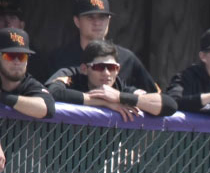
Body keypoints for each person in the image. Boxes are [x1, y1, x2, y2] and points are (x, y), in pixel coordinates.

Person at [48, 0, 159, 93]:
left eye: (102, 17)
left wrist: (122, 98)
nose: (97, 23)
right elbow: (45, 95)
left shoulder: (127, 59)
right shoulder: (59, 58)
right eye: (90, 17)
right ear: (77, 21)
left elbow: (155, 96)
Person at [46, 40, 177, 120]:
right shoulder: (71, 75)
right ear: (85, 69)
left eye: (112, 67)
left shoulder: (119, 88)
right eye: (99, 67)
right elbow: (51, 93)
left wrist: (120, 97)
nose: (107, 73)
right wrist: (104, 103)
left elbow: (169, 105)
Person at [0, 27, 55, 119]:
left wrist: (3, 97)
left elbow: (48, 108)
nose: (17, 62)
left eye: (22, 57)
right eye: (10, 56)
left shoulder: (30, 84)